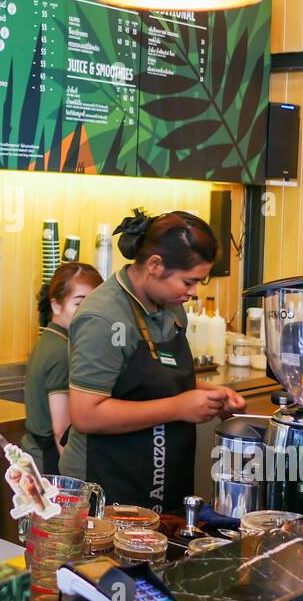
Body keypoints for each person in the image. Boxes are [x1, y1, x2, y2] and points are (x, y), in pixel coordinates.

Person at [62, 209, 244, 511]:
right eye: (188, 282)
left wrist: (205, 395)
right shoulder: (104, 317)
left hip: (161, 478)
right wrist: (179, 407)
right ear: (155, 265)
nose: (193, 292)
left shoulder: (171, 307)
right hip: (105, 484)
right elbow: (86, 414)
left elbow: (153, 378)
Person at [21, 262, 102, 474]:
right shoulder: (61, 352)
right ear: (56, 305)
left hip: (37, 455)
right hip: (50, 461)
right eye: (79, 303)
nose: (88, 312)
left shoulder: (49, 339)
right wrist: (75, 481)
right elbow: (61, 431)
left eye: (94, 304)